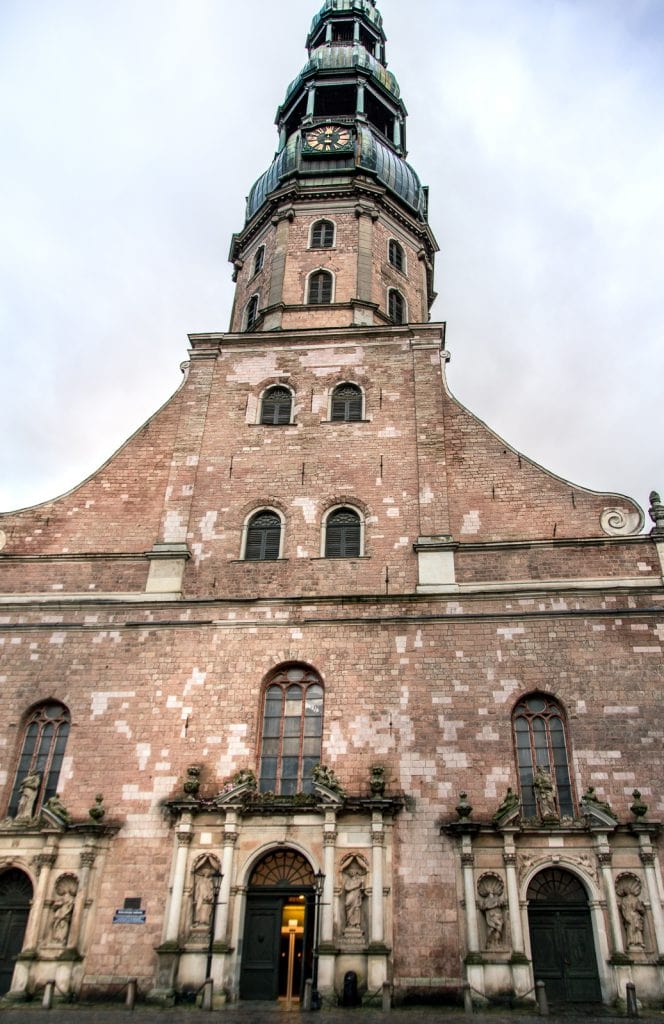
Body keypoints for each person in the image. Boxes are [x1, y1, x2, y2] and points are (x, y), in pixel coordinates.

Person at [344, 865, 365, 929]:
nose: (352, 872)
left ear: (356, 872)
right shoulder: (348, 880)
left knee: (357, 909)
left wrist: (362, 888)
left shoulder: (359, 880)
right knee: (347, 906)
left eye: (354, 871)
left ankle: (356, 923)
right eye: (351, 871)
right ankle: (349, 923)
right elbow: (346, 888)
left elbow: (362, 889)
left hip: (357, 895)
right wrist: (356, 886)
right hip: (350, 895)